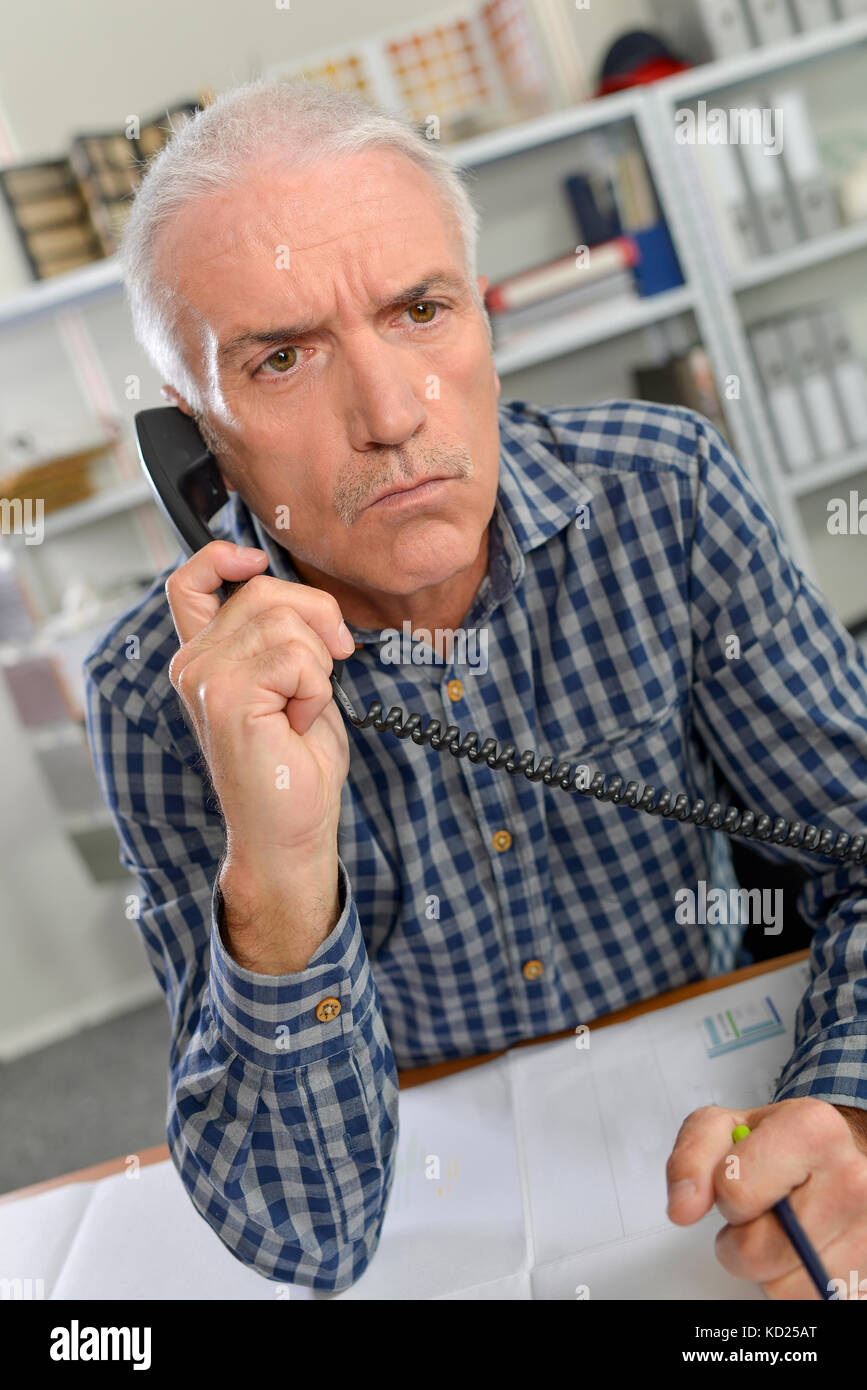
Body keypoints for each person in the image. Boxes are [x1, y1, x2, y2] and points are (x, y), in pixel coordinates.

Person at [84, 78, 867, 1296]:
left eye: (421, 310)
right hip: (432, 1201)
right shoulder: (158, 692)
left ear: (485, 317)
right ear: (196, 439)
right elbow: (307, 1240)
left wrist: (849, 1100)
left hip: (709, 1114)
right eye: (282, 358)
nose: (394, 415)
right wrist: (281, 876)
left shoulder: (666, 494)